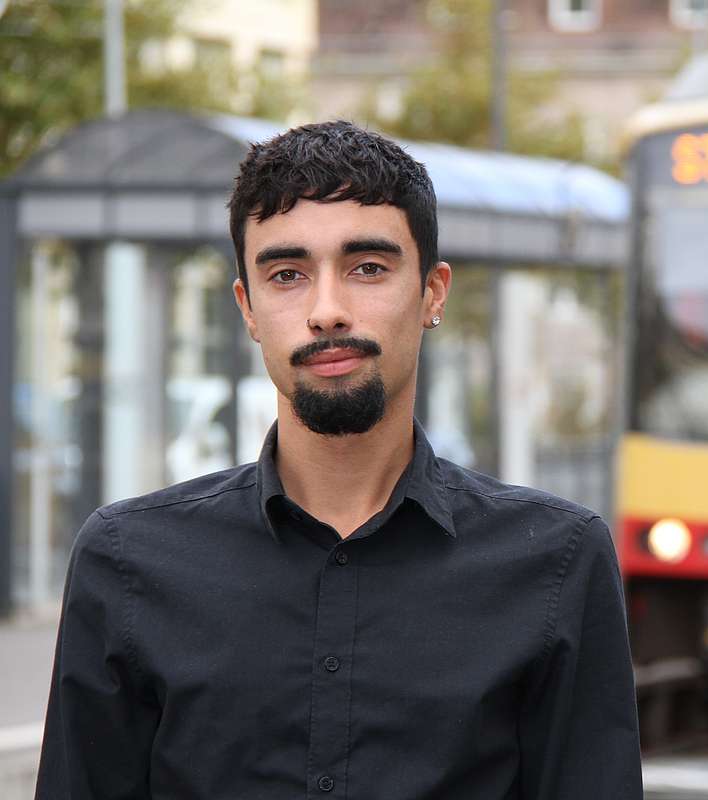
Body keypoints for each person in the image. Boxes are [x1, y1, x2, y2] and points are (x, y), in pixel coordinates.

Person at [35, 121, 643, 799]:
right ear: (249, 309)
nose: (326, 311)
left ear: (434, 293)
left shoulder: (557, 562)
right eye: (287, 274)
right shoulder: (125, 563)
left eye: (368, 268)